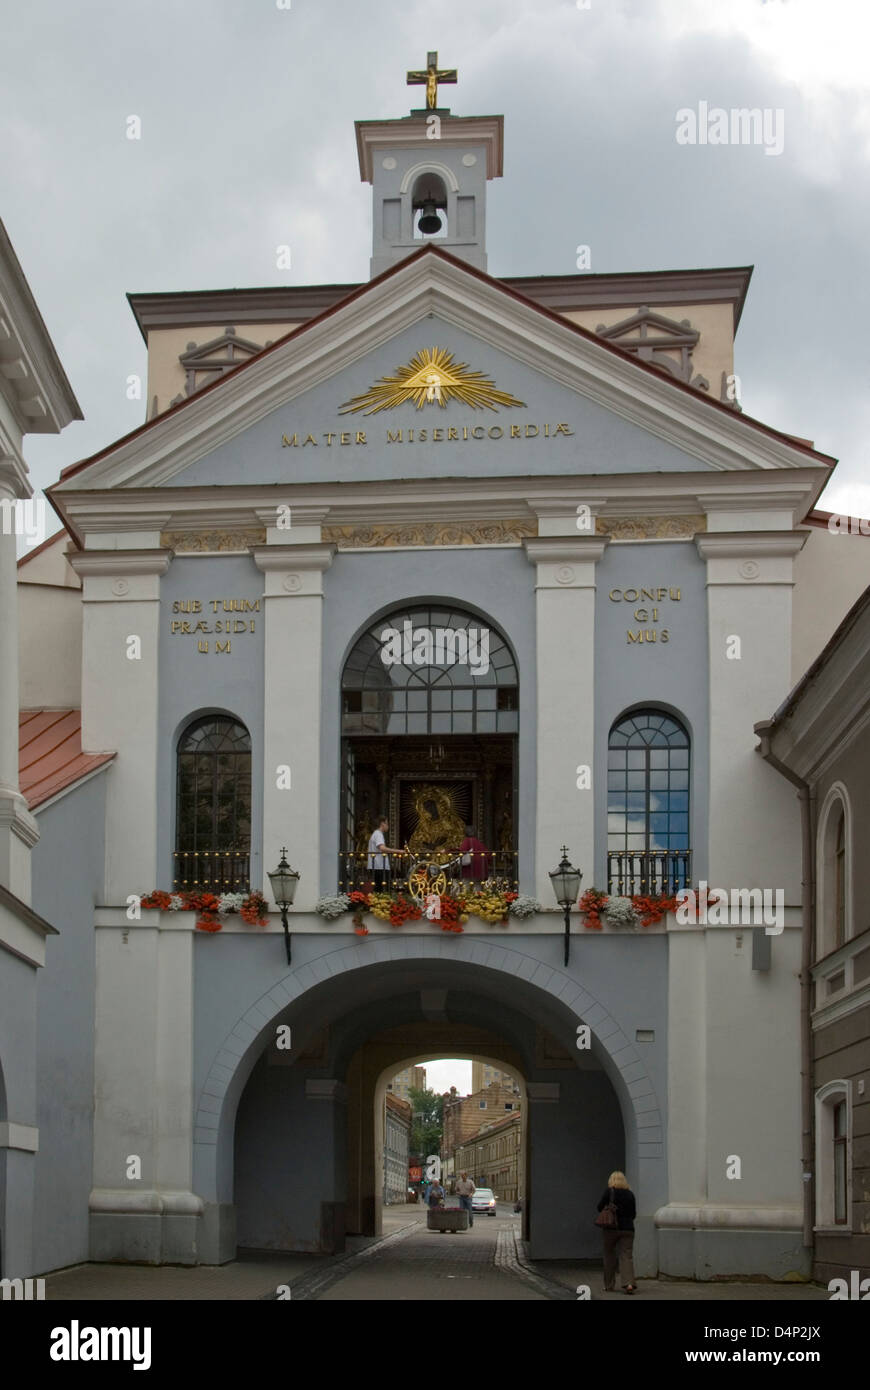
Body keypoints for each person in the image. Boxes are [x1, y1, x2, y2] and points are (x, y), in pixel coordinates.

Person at [597, 1170, 637, 1293]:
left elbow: (599, 1207)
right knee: (626, 1256)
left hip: (611, 1229)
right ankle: (629, 1284)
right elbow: (633, 1214)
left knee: (609, 1255)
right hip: (628, 1229)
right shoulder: (630, 1194)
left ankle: (609, 1286)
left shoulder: (609, 1192)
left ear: (611, 1181)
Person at [367, 815, 395, 891]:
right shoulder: (378, 834)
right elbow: (382, 848)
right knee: (381, 889)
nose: (388, 826)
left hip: (377, 866)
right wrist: (398, 851)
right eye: (387, 824)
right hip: (378, 866)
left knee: (379, 889)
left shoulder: (376, 834)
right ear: (382, 824)